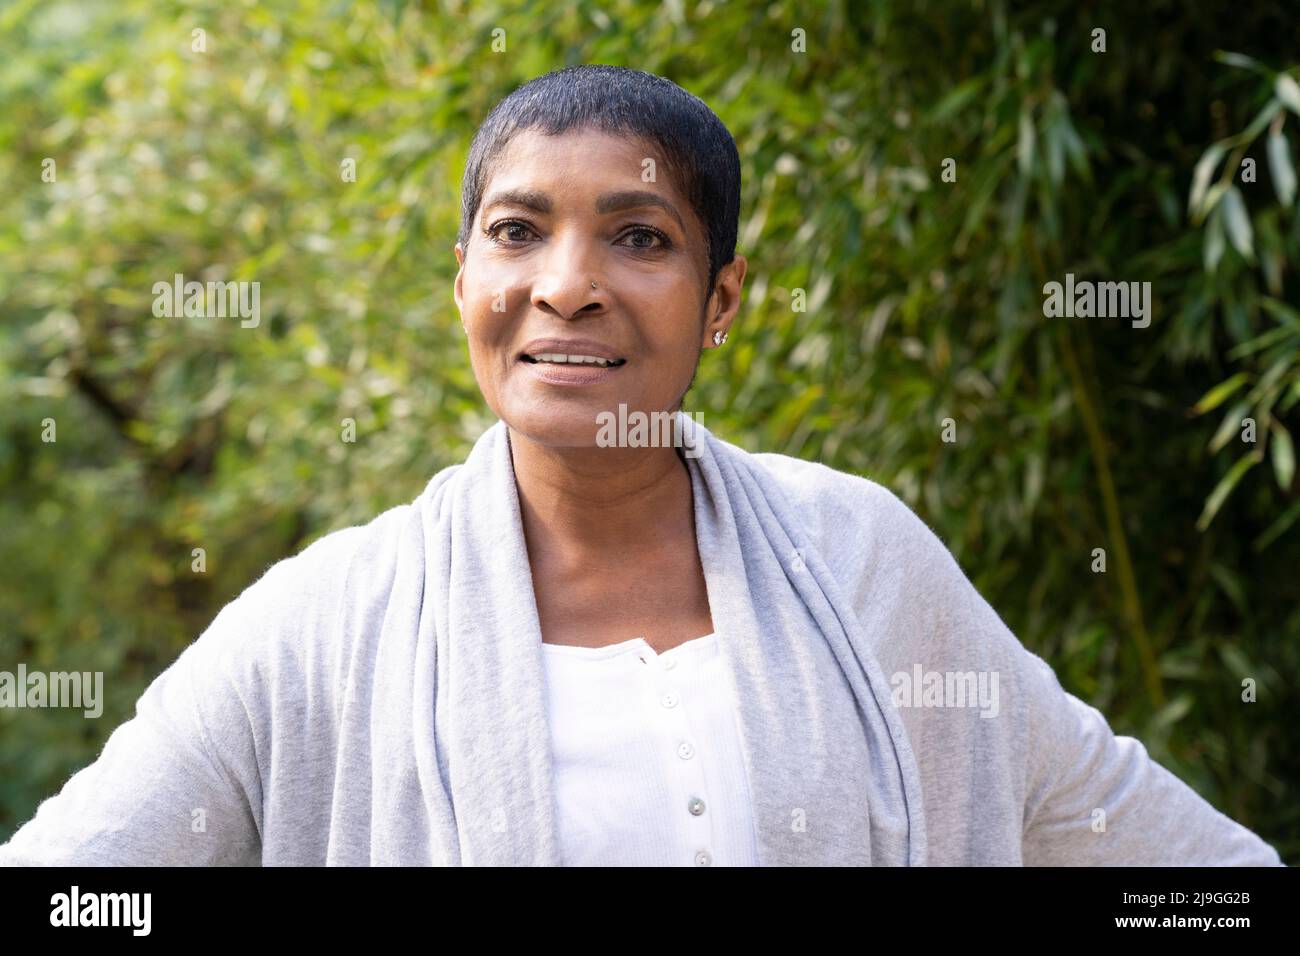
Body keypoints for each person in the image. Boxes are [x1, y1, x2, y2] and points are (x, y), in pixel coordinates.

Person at [0, 65, 1283, 867]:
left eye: (638, 236)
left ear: (720, 299)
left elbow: (1124, 831)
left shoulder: (859, 559)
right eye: (518, 231)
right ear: (464, 288)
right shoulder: (323, 627)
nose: (569, 286)